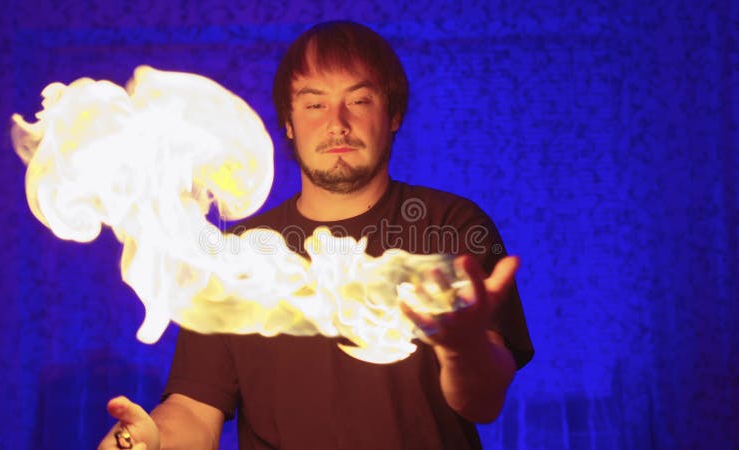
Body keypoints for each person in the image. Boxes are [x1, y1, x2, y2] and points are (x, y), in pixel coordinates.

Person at [98, 20, 533, 450]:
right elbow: (194, 411)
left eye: (359, 100)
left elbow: (484, 401)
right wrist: (148, 440)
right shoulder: (234, 258)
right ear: (289, 122)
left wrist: (461, 349)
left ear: (394, 115)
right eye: (314, 104)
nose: (337, 123)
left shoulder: (453, 227)